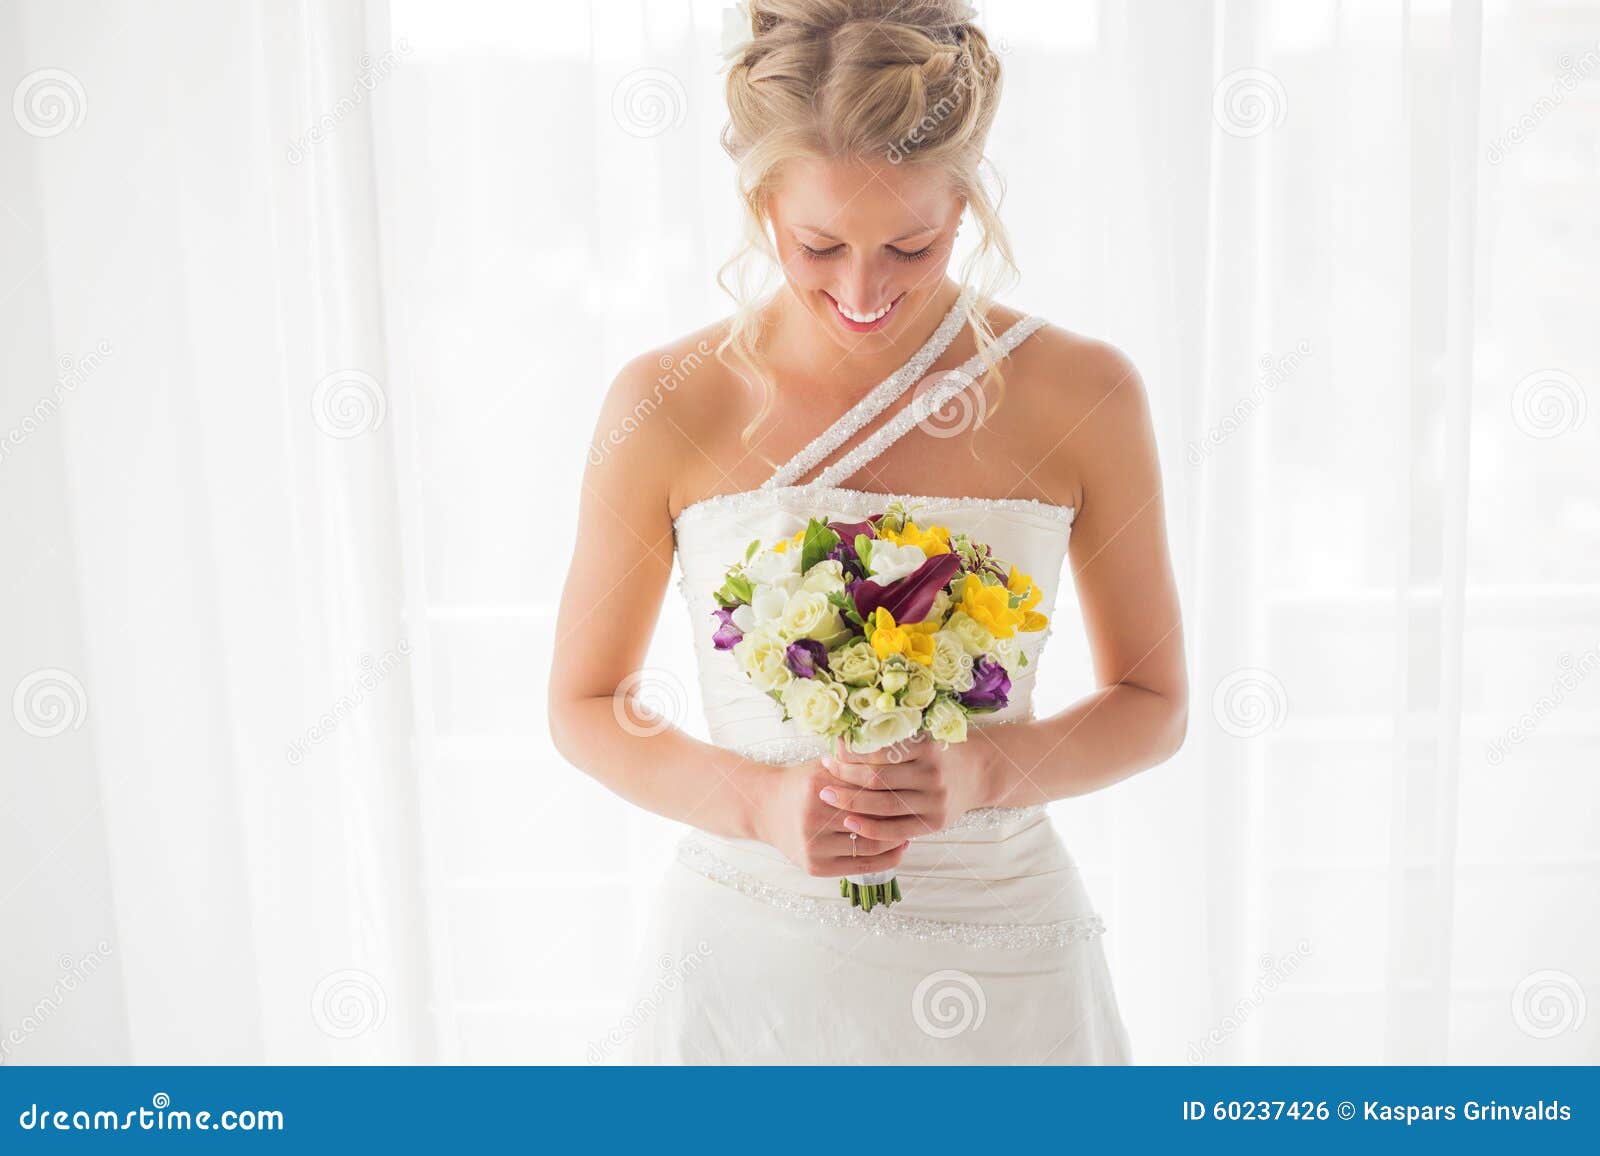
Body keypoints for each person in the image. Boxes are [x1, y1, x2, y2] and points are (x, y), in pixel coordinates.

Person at [549, 0, 1187, 1063]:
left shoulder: (1085, 392)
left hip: (1007, 963)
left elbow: (1154, 705)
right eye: (817, 244)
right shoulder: (667, 401)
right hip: (742, 978)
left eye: (911, 242)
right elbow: (582, 705)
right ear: (759, 204)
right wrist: (755, 803)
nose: (862, 288)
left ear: (969, 201)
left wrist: (985, 772)